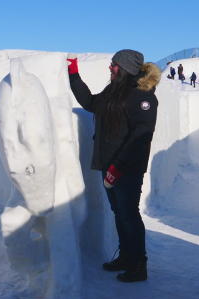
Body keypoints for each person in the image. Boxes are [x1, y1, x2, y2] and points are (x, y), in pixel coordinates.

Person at [67, 50, 160, 282]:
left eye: (115, 65)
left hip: (127, 168)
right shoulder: (114, 91)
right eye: (111, 64)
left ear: (127, 68)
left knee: (129, 215)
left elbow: (141, 136)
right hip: (108, 165)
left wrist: (117, 168)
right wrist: (74, 74)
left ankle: (138, 265)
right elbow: (90, 103)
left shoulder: (143, 96)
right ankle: (126, 257)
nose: (110, 68)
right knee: (119, 213)